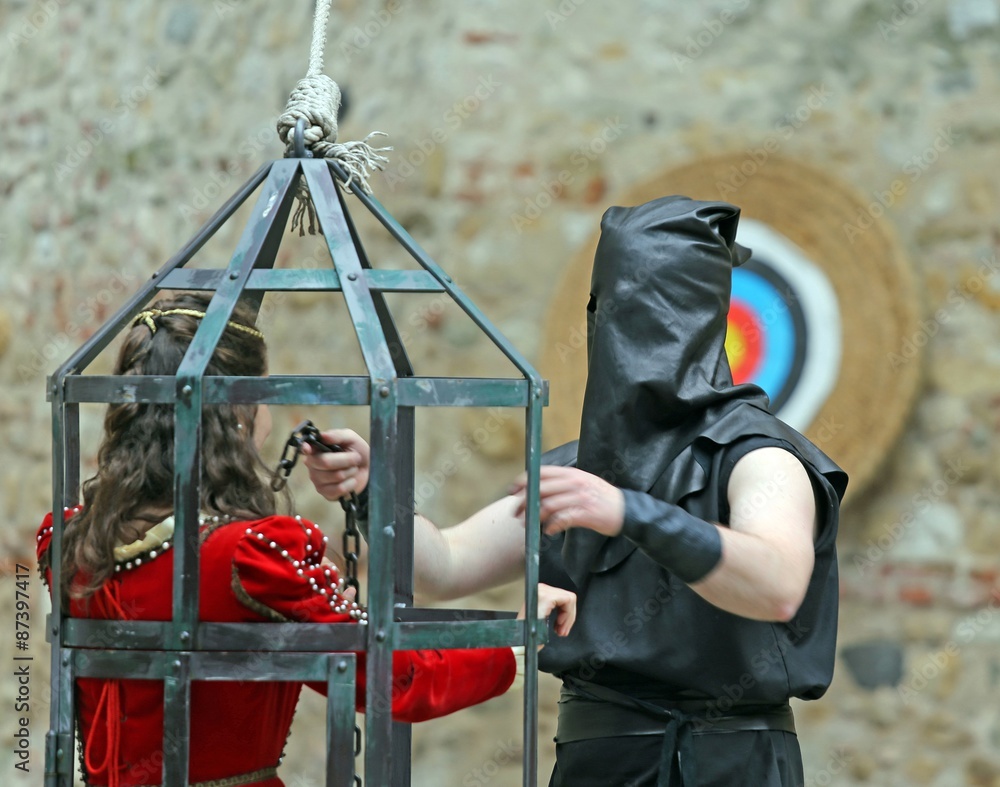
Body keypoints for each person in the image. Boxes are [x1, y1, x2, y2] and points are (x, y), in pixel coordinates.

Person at [305, 196, 848, 786]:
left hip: (729, 768)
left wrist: (626, 511)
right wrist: (371, 492)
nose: (627, 331)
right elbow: (447, 566)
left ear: (698, 315)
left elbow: (776, 587)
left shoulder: (762, 459)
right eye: (613, 308)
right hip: (597, 765)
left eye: (655, 308)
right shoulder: (578, 472)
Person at [37, 291, 575, 787]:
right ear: (240, 412)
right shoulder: (250, 554)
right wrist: (516, 644)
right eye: (264, 394)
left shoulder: (63, 540)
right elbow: (397, 678)